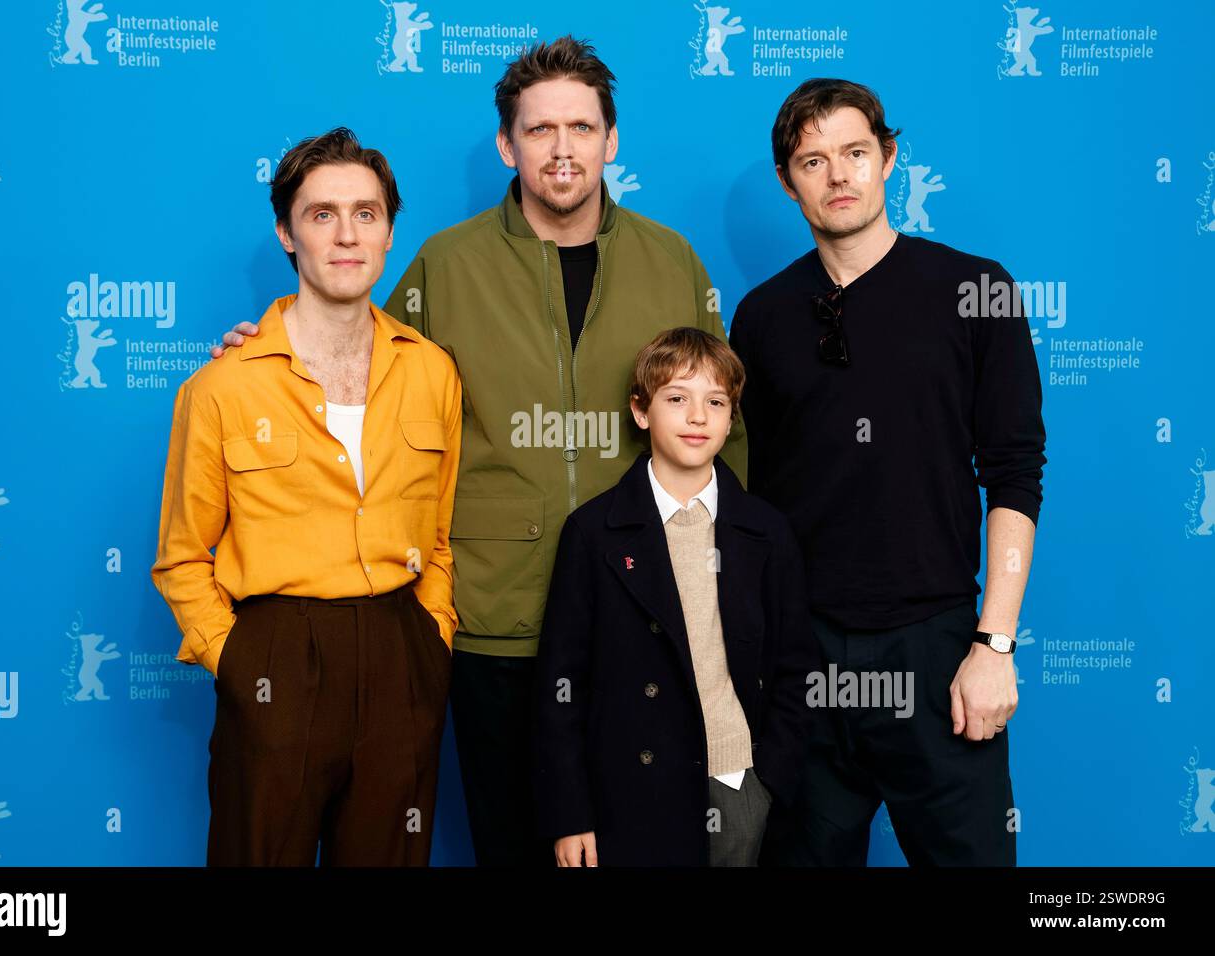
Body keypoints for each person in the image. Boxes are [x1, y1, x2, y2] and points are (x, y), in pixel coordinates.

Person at [210, 37, 748, 866]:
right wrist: (265, 346)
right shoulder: (446, 265)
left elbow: (725, 424)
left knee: (652, 843)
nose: (561, 149)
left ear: (612, 140)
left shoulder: (673, 259)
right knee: (518, 845)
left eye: (580, 127)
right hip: (499, 625)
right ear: (508, 145)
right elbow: (363, 362)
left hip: (646, 617)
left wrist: (718, 577)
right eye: (539, 130)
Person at [729, 78, 1046, 865]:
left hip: (937, 647)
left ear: (889, 159)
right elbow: (751, 496)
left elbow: (1014, 472)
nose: (837, 176)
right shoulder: (762, 316)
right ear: (787, 180)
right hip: (802, 655)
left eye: (855, 153)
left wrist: (994, 645)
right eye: (813, 161)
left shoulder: (976, 290)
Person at [150, 128, 461, 866]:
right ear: (287, 233)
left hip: (400, 653)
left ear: (389, 232)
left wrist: (431, 639)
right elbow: (181, 557)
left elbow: (442, 535)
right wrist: (237, 660)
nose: (347, 235)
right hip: (275, 658)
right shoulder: (222, 385)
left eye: (367, 213)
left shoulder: (433, 374)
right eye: (322, 215)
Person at [534, 328, 816, 866]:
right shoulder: (594, 533)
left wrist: (769, 776)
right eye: (676, 398)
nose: (697, 417)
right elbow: (560, 685)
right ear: (641, 412)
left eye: (715, 402)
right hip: (630, 792)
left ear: (731, 417)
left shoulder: (766, 531)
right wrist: (570, 813)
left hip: (737, 781)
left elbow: (796, 666)